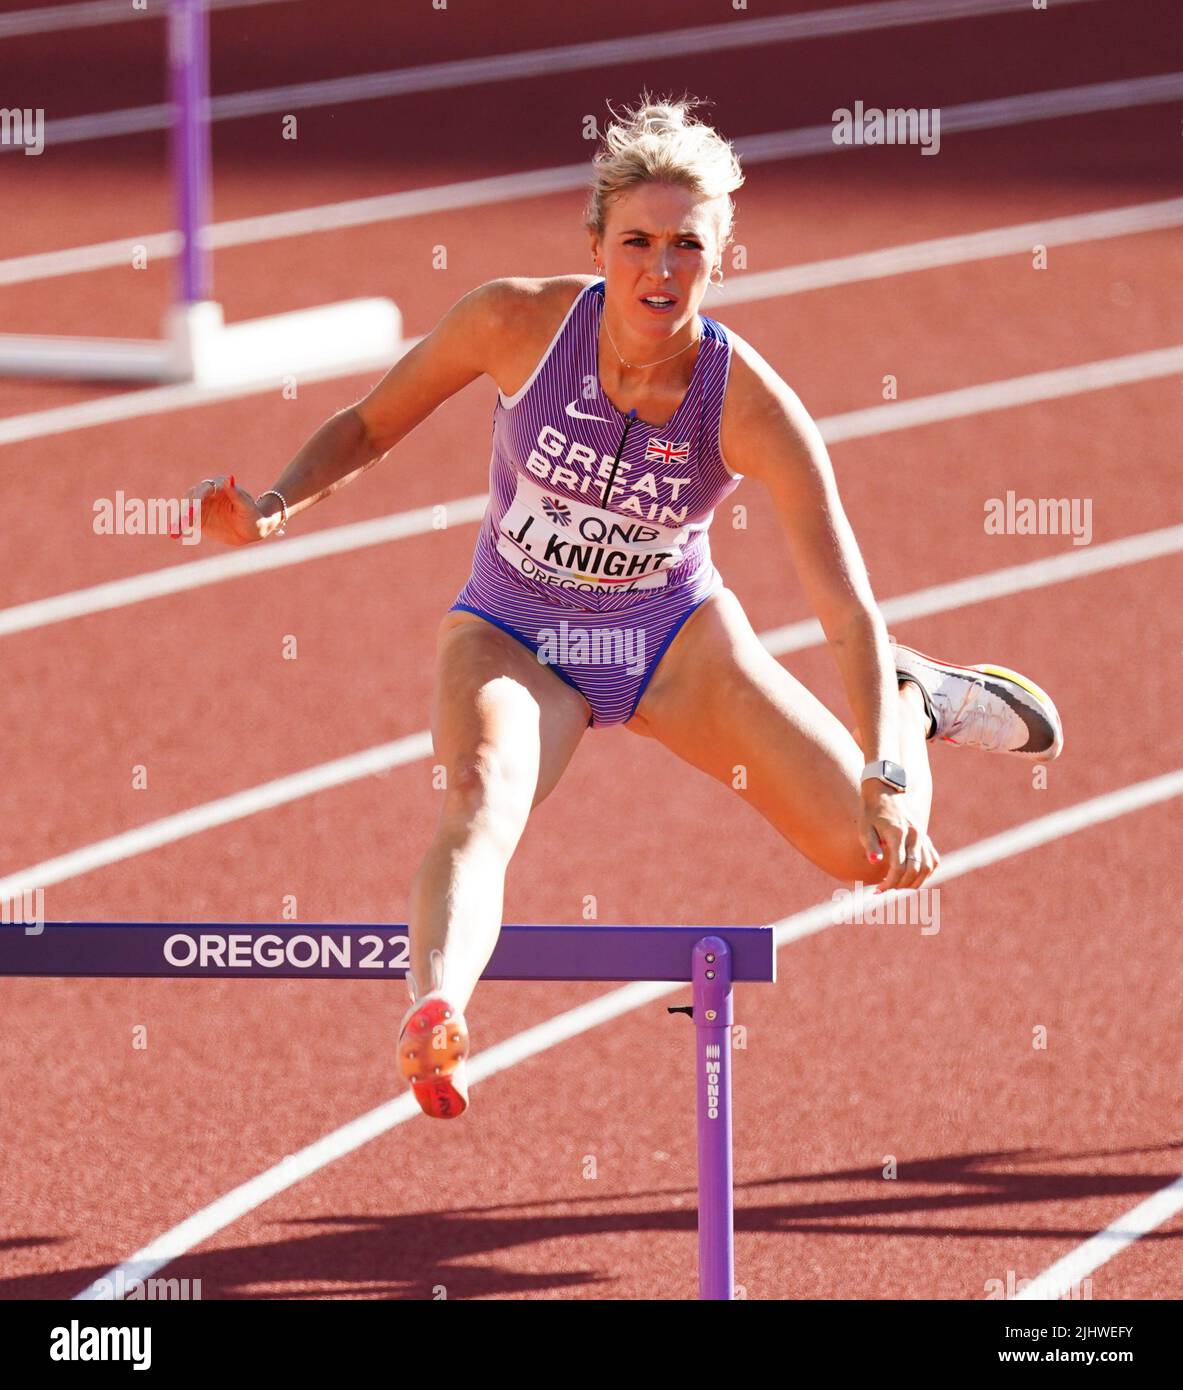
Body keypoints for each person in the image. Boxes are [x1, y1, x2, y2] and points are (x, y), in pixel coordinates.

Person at [182, 95, 1063, 1122]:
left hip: (671, 640)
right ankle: (438, 1012)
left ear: (719, 259)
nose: (658, 269)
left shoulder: (750, 404)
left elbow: (844, 605)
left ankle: (914, 701)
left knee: (871, 855)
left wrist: (886, 772)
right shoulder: (512, 321)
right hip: (514, 630)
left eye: (686, 246)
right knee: (479, 790)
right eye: (636, 240)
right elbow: (372, 423)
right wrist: (277, 505)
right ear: (594, 240)